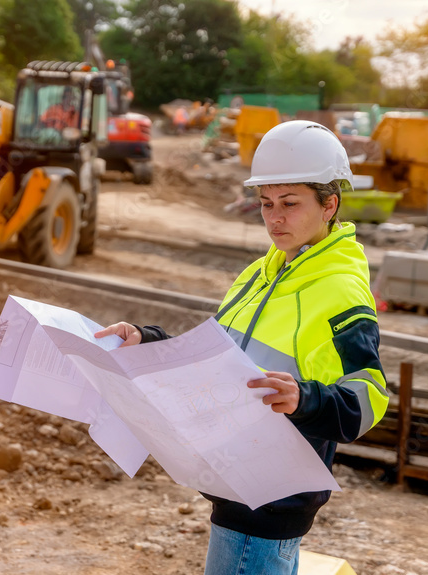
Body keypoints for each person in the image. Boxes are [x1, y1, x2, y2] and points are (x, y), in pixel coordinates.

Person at [94, 120, 388, 575]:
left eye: (290, 204)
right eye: (267, 204)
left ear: (329, 204)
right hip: (232, 485)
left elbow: (370, 395)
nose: (275, 218)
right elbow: (211, 358)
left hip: (270, 502)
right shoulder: (258, 274)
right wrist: (146, 339)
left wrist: (305, 398)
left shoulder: (343, 290)